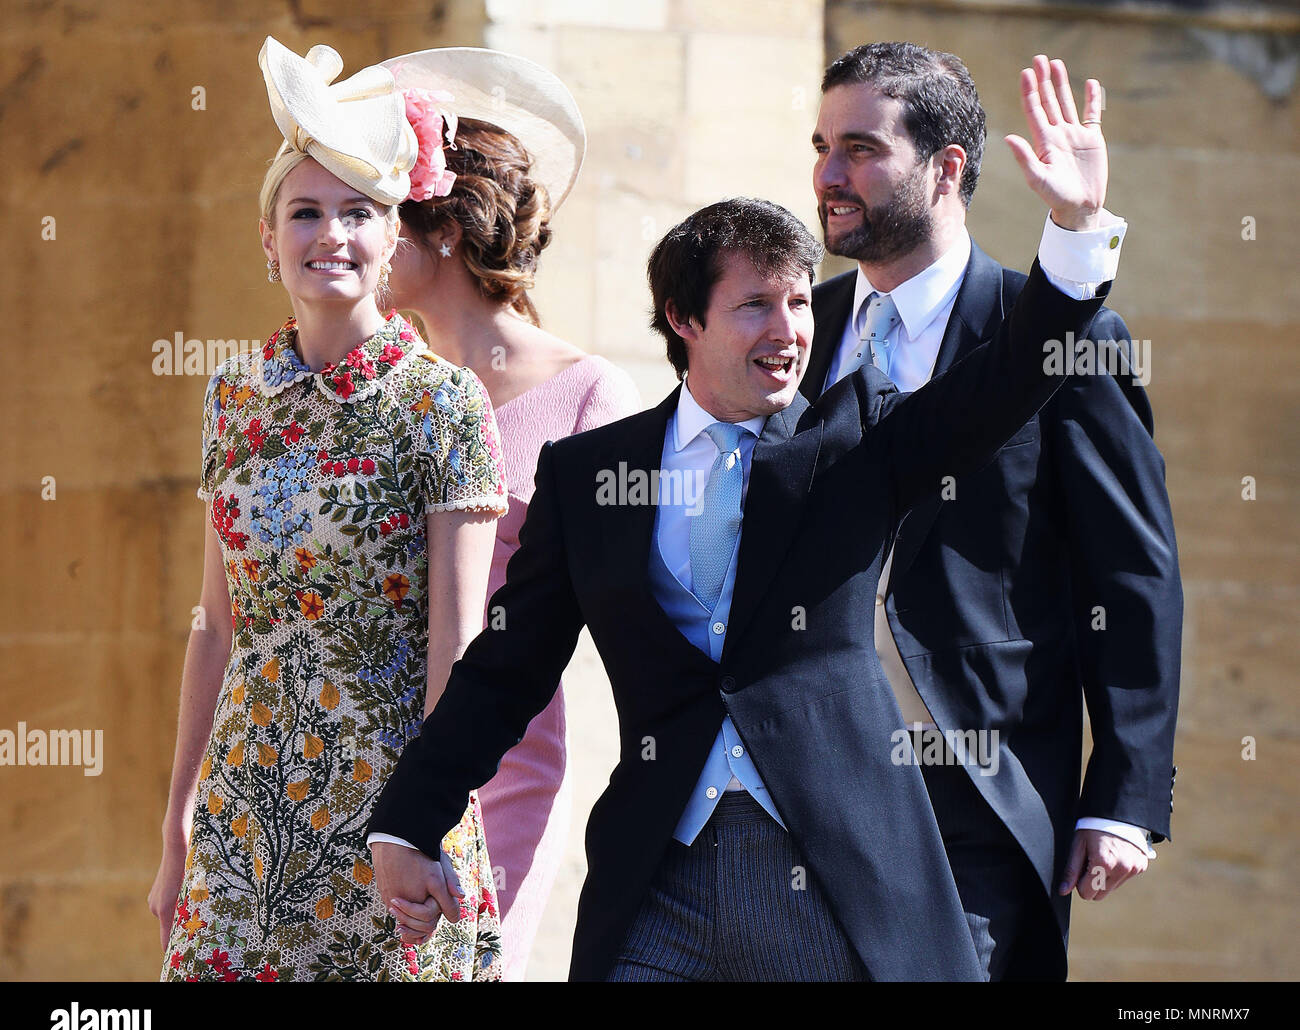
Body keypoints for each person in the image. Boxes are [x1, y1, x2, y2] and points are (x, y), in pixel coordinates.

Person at [365, 59, 1126, 982]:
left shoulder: (857, 446)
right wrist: (411, 817)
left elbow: (1005, 381)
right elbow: (507, 667)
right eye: (756, 305)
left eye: (801, 301)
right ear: (684, 319)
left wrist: (1076, 233)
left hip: (834, 884)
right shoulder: (590, 475)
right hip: (659, 886)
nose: (791, 330)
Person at [803, 45, 1182, 979]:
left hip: (976, 789)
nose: (827, 175)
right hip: (802, 790)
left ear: (947, 168)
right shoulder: (789, 339)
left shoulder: (1066, 336)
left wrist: (1123, 796)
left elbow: (1131, 572)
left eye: (859, 148)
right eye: (820, 146)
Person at [146, 37, 508, 981]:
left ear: (393, 239)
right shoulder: (234, 397)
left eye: (358, 212)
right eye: (306, 212)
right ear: (269, 239)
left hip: (387, 819)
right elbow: (218, 626)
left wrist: (422, 822)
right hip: (241, 822)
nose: (331, 236)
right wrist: (178, 819)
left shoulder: (442, 401)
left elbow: (457, 646)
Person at [374, 48, 640, 980]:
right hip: (348, 731)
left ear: (440, 228)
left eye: (379, 215)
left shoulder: (585, 393)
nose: (359, 241)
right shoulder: (376, 387)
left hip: (498, 766)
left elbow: (635, 609)